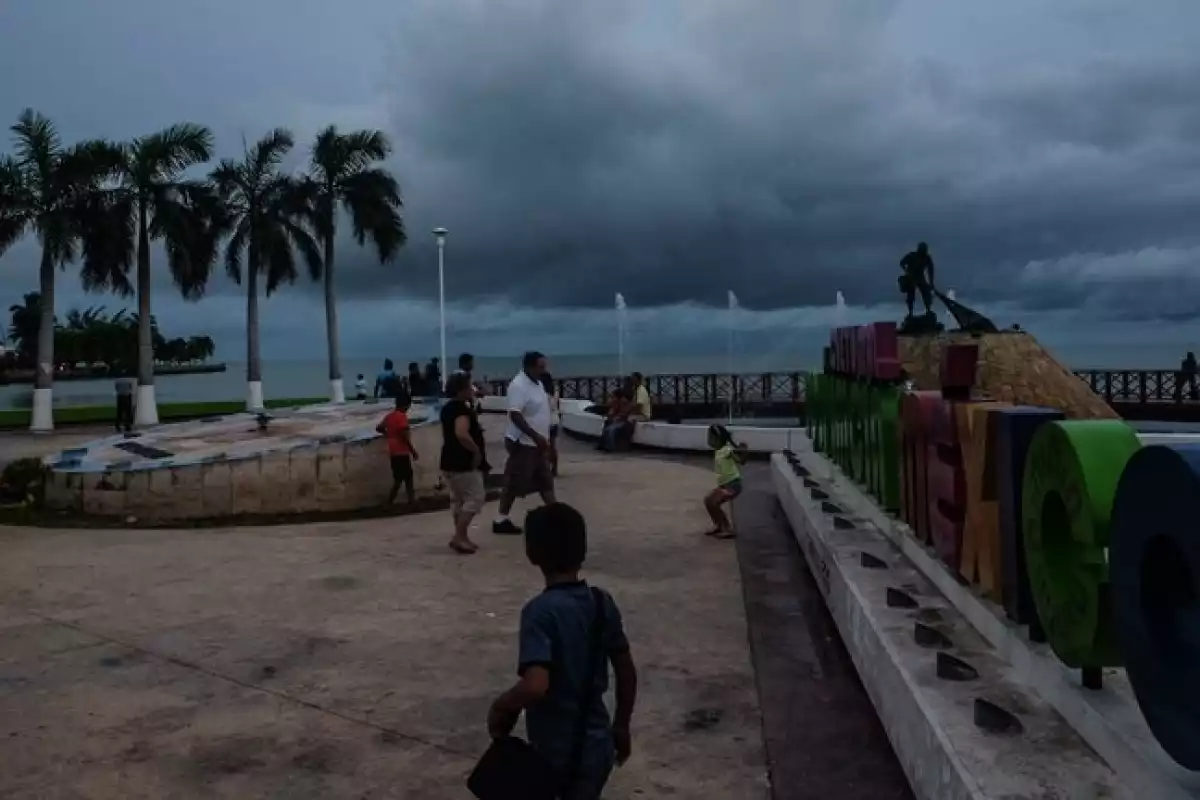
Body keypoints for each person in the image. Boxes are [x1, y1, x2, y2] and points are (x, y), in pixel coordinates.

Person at [487, 502, 638, 800]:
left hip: (554, 754)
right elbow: (625, 669)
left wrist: (502, 707)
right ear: (582, 550)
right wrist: (621, 725)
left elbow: (535, 686)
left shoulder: (539, 612)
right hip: (597, 746)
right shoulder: (601, 602)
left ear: (531, 553)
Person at [493, 351, 555, 535]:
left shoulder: (538, 383)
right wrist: (535, 436)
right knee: (514, 482)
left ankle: (556, 515)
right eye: (540, 367)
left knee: (545, 481)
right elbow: (515, 414)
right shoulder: (519, 386)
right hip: (523, 443)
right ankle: (501, 519)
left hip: (539, 444)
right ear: (529, 366)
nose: (543, 370)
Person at [440, 372, 489, 554]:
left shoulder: (447, 408)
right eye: (470, 386)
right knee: (475, 498)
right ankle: (459, 537)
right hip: (462, 462)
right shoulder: (461, 410)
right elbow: (461, 433)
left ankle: (462, 536)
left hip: (449, 460)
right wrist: (476, 451)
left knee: (459, 500)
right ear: (461, 389)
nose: (473, 389)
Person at [703, 424, 748, 539]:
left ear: (718, 439)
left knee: (714, 503)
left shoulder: (727, 450)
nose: (709, 440)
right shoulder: (718, 450)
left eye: (711, 438)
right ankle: (718, 525)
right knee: (708, 501)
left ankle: (728, 528)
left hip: (733, 484)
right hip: (724, 485)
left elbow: (741, 461)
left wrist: (743, 451)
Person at [375, 392, 419, 505]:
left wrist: (388, 434)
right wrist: (413, 451)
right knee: (408, 477)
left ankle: (391, 502)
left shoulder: (389, 416)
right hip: (402, 451)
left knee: (399, 478)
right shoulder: (402, 417)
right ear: (406, 405)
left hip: (393, 451)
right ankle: (410, 501)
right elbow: (405, 436)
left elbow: (379, 428)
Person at [898, 241, 936, 317]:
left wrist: (931, 283)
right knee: (911, 295)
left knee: (926, 293)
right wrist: (906, 270)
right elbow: (902, 263)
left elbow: (930, 271)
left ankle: (928, 310)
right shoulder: (912, 255)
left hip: (919, 277)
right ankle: (911, 312)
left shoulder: (927, 258)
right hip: (910, 277)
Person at [597, 389, 632, 453]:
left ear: (618, 396)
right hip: (615, 420)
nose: (612, 398)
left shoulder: (625, 403)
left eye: (614, 396)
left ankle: (610, 447)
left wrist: (617, 417)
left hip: (623, 421)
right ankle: (602, 445)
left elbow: (625, 413)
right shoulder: (615, 402)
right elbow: (612, 410)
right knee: (606, 427)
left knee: (610, 430)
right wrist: (610, 415)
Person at [541, 371, 561, 477]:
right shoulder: (555, 390)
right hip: (554, 420)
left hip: (545, 421)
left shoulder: (542, 392)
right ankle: (555, 468)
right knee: (553, 446)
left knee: (544, 446)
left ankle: (546, 468)